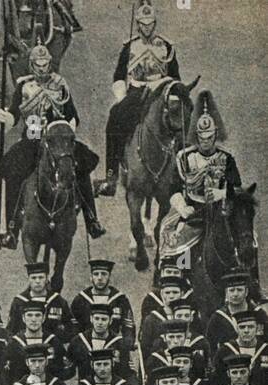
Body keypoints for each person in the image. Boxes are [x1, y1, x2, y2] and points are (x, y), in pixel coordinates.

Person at [0, 42, 104, 247]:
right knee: (12, 172)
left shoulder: (60, 85)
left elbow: (73, 116)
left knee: (80, 166)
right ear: (32, 65)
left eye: (46, 65)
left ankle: (92, 219)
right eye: (39, 65)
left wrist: (66, 130)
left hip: (57, 139)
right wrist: (6, 118)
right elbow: (15, 114)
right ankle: (12, 228)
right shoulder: (24, 86)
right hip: (33, 137)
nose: (43, 69)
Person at [98, 3, 180, 198]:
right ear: (137, 25)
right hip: (136, 93)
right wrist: (121, 96)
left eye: (150, 24)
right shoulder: (130, 46)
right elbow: (119, 75)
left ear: (155, 24)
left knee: (181, 119)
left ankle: (181, 175)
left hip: (161, 92)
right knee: (114, 117)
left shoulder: (166, 46)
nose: (146, 29)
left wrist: (173, 96)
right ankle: (111, 176)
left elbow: (176, 76)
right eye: (143, 25)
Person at [167, 92, 242, 260]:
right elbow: (174, 188)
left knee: (248, 239)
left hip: (221, 211)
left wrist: (222, 193)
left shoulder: (226, 158)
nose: (205, 141)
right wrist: (182, 208)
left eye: (209, 137)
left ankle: (249, 281)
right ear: (197, 135)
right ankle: (176, 281)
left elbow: (237, 187)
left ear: (215, 135)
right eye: (202, 137)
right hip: (193, 211)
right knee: (173, 242)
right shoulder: (184, 157)